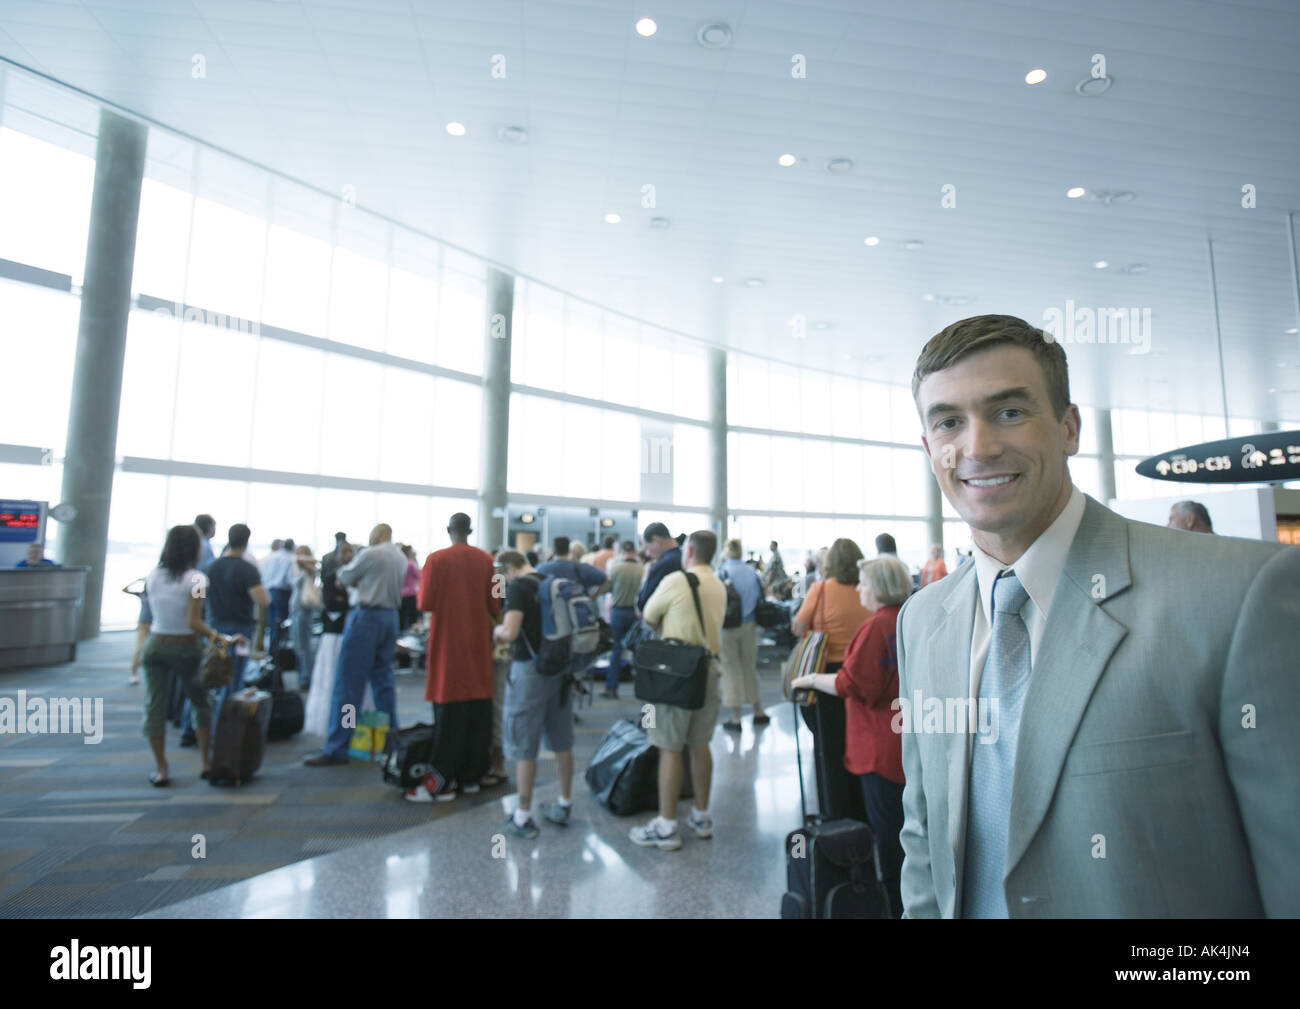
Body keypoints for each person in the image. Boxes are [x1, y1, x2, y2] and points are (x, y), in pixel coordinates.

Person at [900, 313, 1300, 918]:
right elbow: (924, 838)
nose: (977, 447)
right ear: (930, 448)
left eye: (1010, 411)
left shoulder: (1235, 596)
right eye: (949, 421)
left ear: (1069, 427)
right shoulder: (923, 621)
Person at [791, 556, 911, 916]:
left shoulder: (876, 627)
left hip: (878, 744)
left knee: (888, 838)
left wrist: (810, 679)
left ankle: (892, 905)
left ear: (879, 587)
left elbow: (852, 683)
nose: (858, 589)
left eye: (863, 583)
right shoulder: (906, 618)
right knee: (902, 830)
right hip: (904, 738)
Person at [629, 530, 727, 851]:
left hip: (677, 673)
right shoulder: (718, 584)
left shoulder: (676, 581)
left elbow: (648, 614)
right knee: (700, 744)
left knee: (669, 746)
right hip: (709, 669)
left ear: (689, 551)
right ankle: (701, 816)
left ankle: (667, 825)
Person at [405, 513, 502, 802]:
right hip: (478, 647)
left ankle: (442, 783)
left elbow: (425, 603)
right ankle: (471, 776)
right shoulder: (488, 561)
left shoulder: (435, 560)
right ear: (470, 531)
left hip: (448, 646)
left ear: (449, 530)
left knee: (449, 715)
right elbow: (496, 602)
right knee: (478, 712)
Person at [140, 524, 241, 786]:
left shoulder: (154, 575)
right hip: (186, 648)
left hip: (155, 646)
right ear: (194, 548)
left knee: (154, 707)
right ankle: (206, 762)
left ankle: (161, 768)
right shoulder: (197, 579)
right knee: (200, 704)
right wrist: (221, 638)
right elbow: (194, 622)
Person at [303, 524, 406, 767]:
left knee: (349, 687)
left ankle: (339, 745)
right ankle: (393, 740)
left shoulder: (371, 554)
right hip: (390, 618)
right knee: (383, 683)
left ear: (379, 534)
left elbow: (343, 578)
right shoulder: (400, 557)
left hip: (366, 619)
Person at [493, 550, 575, 838]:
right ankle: (564, 803)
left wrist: (497, 632)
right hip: (561, 670)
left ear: (510, 568)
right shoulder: (553, 581)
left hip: (529, 672)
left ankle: (523, 815)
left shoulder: (519, 586)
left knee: (524, 742)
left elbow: (512, 631)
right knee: (561, 740)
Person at [792, 537, 873, 816]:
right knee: (859, 740)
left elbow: (799, 626)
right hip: (862, 671)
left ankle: (835, 809)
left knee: (829, 745)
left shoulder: (821, 589)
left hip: (826, 673)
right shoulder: (867, 589)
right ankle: (862, 807)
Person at [204, 523, 269, 713]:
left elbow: (198, 598)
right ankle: (222, 731)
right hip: (240, 630)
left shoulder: (209, 567)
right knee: (232, 681)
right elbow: (262, 600)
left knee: (206, 676)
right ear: (247, 541)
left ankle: (192, 728)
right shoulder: (248, 569)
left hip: (213, 627)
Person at [718, 538, 768, 731]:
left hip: (728, 628)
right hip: (750, 625)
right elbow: (758, 598)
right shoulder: (752, 572)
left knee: (730, 669)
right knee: (749, 667)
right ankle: (758, 711)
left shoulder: (721, 572)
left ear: (726, 552)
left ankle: (736, 717)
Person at [304, 542, 353, 737]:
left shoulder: (354, 577)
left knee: (347, 682)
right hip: (333, 634)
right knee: (333, 678)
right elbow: (332, 602)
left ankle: (347, 725)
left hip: (344, 632)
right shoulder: (332, 577)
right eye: (344, 552)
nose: (347, 555)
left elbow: (346, 602)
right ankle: (338, 726)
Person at [601, 540, 642, 699]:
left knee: (616, 650)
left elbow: (607, 588)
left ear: (622, 551)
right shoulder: (640, 569)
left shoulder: (616, 568)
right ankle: (641, 688)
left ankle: (612, 688)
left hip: (618, 611)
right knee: (637, 651)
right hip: (634, 612)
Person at [289, 545, 321, 689]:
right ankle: (305, 675)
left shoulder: (309, 569)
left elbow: (312, 566)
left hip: (303, 610)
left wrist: (302, 559)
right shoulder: (300, 570)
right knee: (299, 645)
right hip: (296, 610)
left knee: (303, 646)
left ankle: (306, 676)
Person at [636, 523, 683, 613]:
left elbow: (642, 604)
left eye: (647, 548)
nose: (648, 554)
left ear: (656, 540)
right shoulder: (683, 558)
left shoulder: (664, 565)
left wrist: (646, 576)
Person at [260, 538, 297, 653]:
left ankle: (270, 652)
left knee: (271, 624)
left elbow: (264, 574)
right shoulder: (290, 558)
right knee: (279, 624)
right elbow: (290, 579)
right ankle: (275, 653)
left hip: (268, 591)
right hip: (281, 593)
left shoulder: (273, 556)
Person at [537, 536, 608, 592]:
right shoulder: (582, 568)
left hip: (548, 609)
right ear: (568, 550)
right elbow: (606, 579)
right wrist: (593, 597)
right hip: (577, 609)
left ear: (554, 551)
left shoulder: (541, 568)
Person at [122, 576, 151, 686]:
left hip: (155, 624)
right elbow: (125, 590)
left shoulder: (156, 594)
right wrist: (137, 581)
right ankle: (134, 672)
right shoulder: (142, 594)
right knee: (140, 648)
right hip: (143, 624)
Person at [398, 544, 420, 630]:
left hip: (401, 595)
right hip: (410, 594)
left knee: (401, 619)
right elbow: (418, 576)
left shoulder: (399, 564)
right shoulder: (411, 564)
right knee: (412, 619)